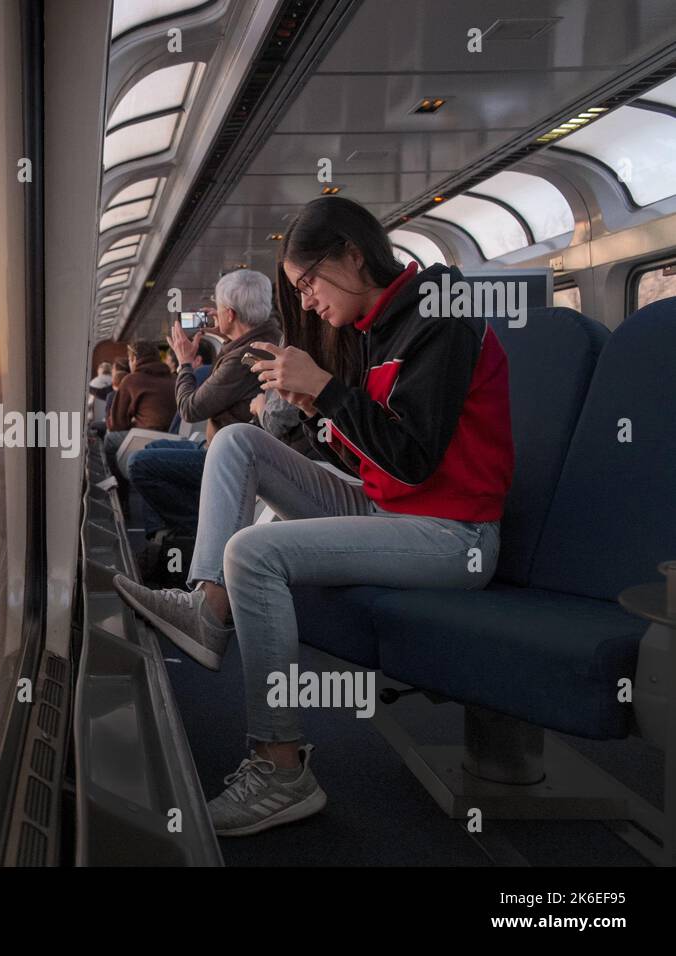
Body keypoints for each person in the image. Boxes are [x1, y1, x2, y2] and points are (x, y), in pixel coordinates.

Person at [112, 195, 514, 836]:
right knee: (237, 442)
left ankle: (281, 767)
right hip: (390, 506)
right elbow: (365, 458)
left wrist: (326, 392)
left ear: (353, 255)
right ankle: (206, 606)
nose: (304, 302)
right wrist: (308, 411)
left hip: (452, 532)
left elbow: (412, 458)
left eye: (308, 283)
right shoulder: (368, 331)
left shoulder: (442, 311)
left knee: (255, 550)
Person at [127, 269, 278, 535]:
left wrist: (184, 363)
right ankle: (163, 534)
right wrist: (224, 332)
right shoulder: (265, 340)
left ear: (230, 314)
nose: (215, 315)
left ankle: (199, 529)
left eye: (220, 310)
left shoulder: (242, 357)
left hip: (227, 459)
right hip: (222, 445)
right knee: (155, 446)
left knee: (139, 463)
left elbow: (190, 409)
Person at [102, 341, 176, 476]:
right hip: (174, 439)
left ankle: (119, 491)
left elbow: (117, 424)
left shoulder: (131, 380)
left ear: (134, 359)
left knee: (110, 440)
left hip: (146, 438)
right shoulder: (173, 379)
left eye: (130, 360)